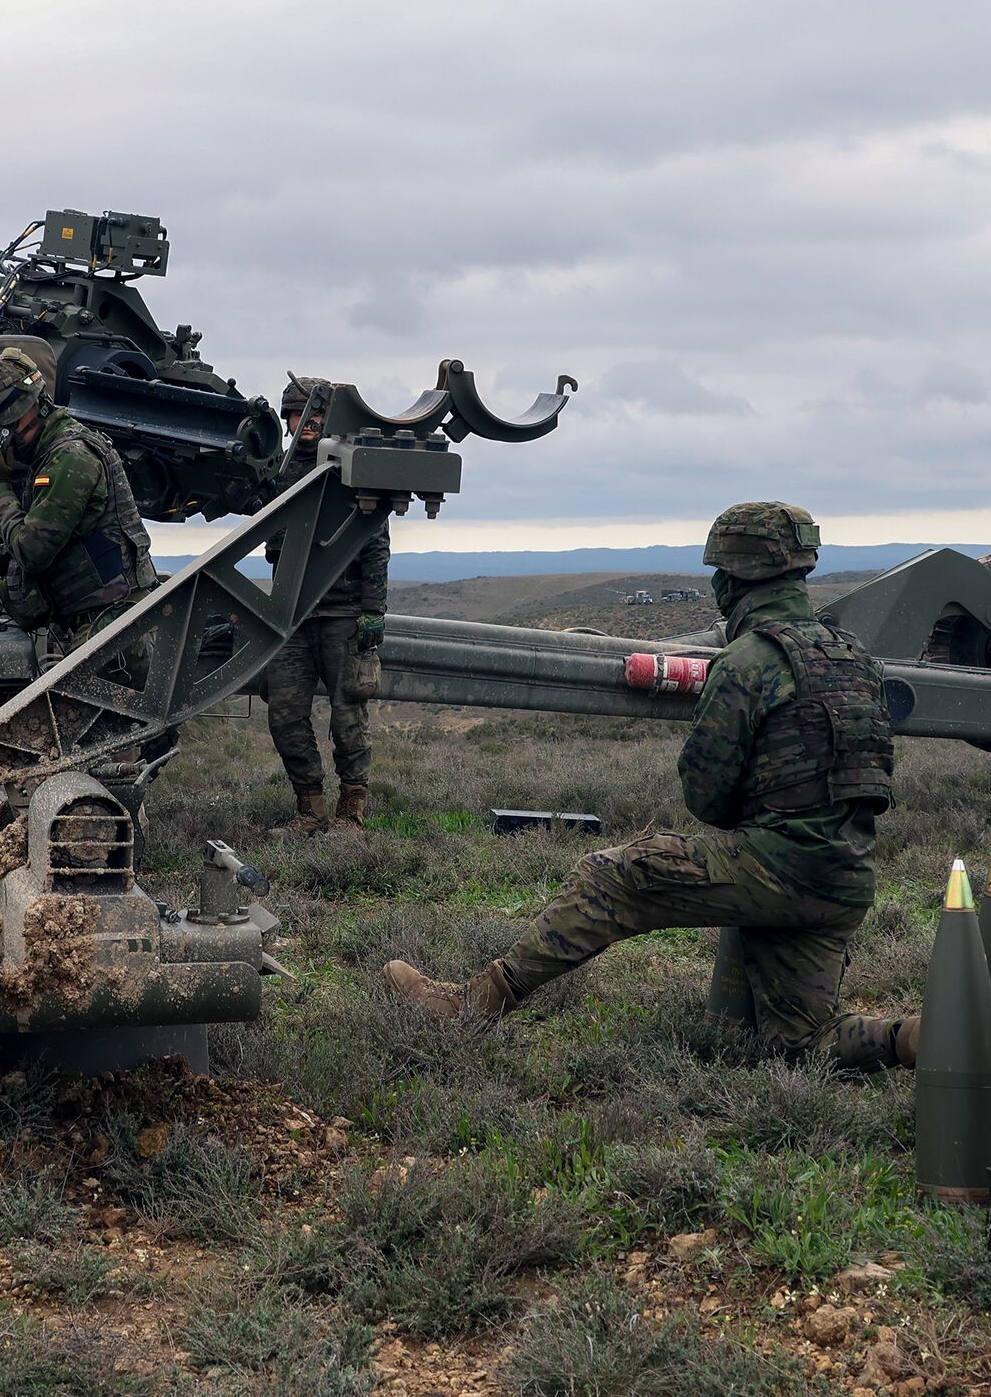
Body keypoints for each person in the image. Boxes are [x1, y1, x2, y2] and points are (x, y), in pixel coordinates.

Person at [383, 501, 916, 1070]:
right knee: (801, 1046)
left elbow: (706, 797)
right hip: (844, 880)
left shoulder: (747, 662)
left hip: (779, 872)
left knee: (614, 876)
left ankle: (471, 1005)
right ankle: (913, 1037)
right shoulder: (858, 659)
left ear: (727, 580)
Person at [0, 348, 161, 651]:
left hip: (112, 635)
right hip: (94, 627)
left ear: (13, 420)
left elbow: (32, 551)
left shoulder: (70, 458)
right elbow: (49, 546)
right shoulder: (49, 455)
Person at [265, 375, 391, 833]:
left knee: (348, 716)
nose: (307, 424)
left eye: (314, 415)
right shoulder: (277, 472)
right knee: (285, 712)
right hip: (292, 613)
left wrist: (374, 608)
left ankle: (351, 813)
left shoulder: (351, 467)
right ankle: (310, 808)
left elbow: (375, 541)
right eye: (298, 416)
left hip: (343, 611)